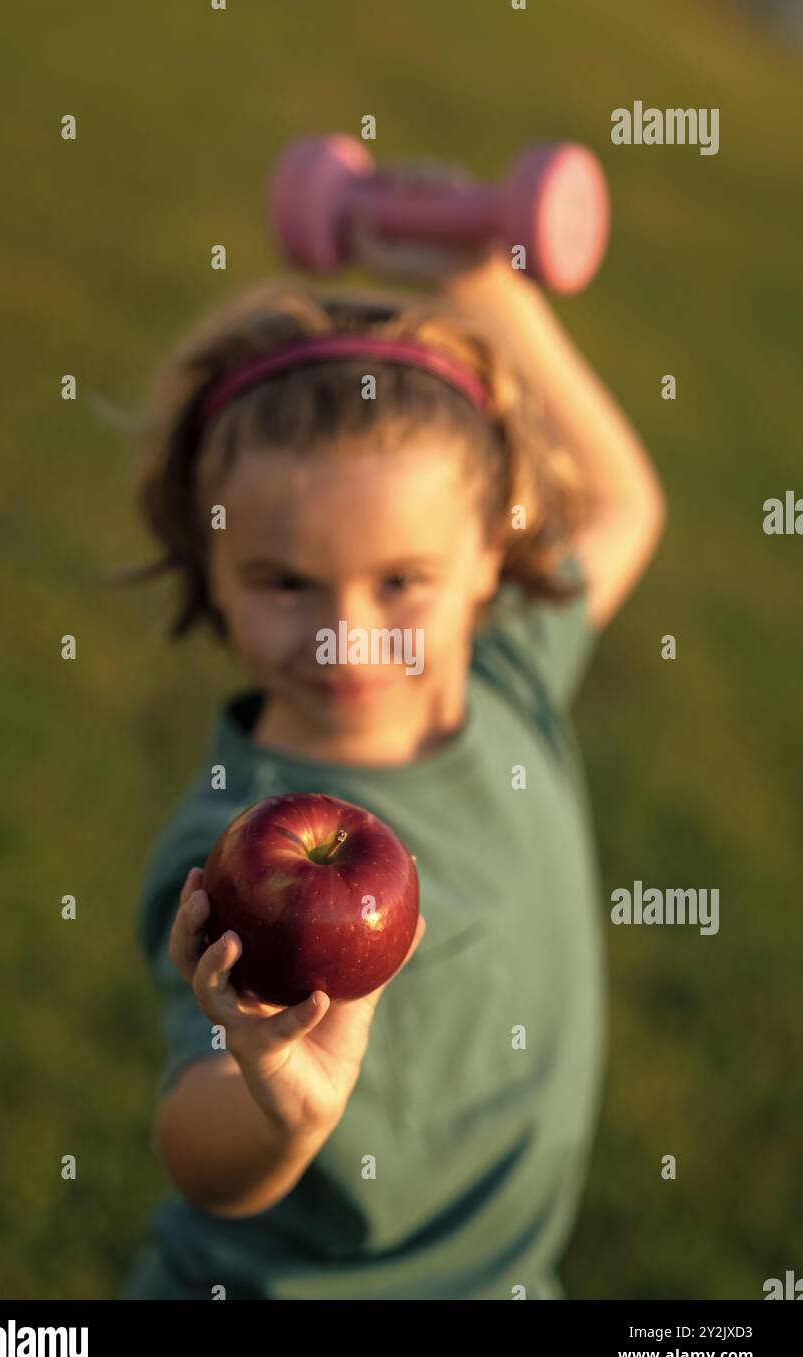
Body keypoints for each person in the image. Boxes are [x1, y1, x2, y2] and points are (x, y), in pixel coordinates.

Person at [119, 169, 666, 1299]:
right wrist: (276, 1101)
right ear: (211, 570)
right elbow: (199, 1153)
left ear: (487, 558)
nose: (345, 635)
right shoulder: (232, 840)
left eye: (402, 581)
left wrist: (475, 279)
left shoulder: (507, 675)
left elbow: (623, 502)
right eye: (284, 581)